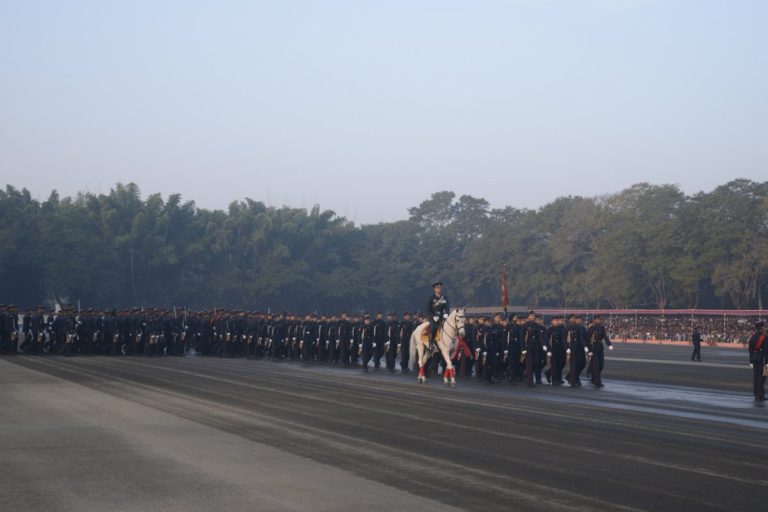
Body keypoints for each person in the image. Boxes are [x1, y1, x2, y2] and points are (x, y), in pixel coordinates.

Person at [427, 281, 450, 351]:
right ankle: (431, 343)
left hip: (441, 317)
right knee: (434, 327)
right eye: (438, 288)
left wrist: (446, 313)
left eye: (440, 288)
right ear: (434, 289)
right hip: (433, 317)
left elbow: (447, 307)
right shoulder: (431, 298)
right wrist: (433, 316)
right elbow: (428, 309)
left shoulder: (444, 297)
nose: (439, 289)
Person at [747, 321, 766, 402]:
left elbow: (750, 350)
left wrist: (751, 360)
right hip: (764, 360)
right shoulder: (764, 337)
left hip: (755, 359)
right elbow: (766, 350)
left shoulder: (753, 337)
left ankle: (756, 394)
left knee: (756, 377)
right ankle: (760, 395)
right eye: (764, 327)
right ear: (761, 328)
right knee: (762, 378)